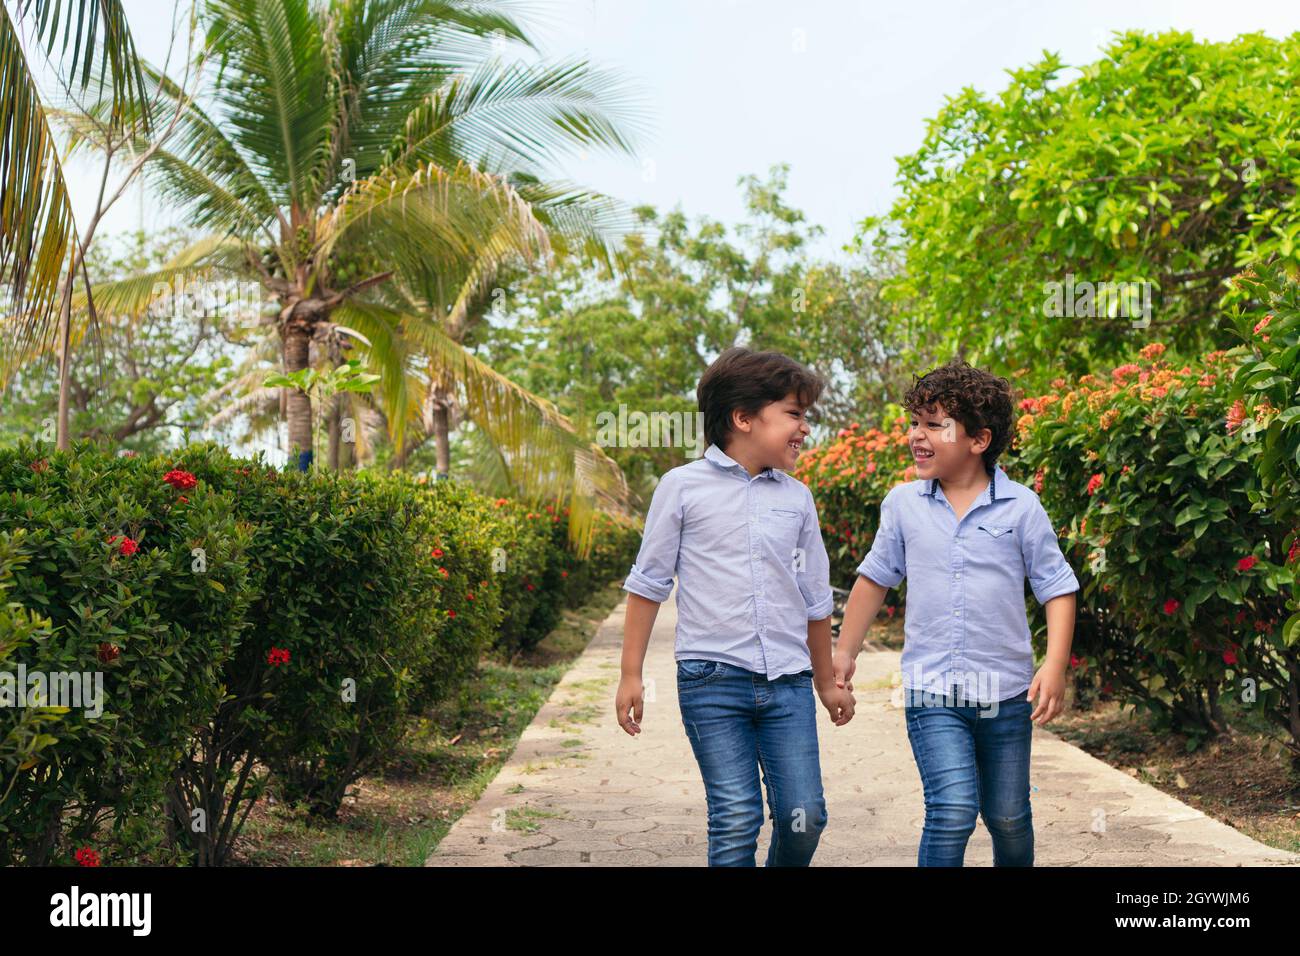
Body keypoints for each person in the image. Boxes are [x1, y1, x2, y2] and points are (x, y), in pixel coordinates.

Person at [615, 346, 855, 866]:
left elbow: (815, 601)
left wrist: (826, 682)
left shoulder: (797, 498)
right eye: (794, 414)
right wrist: (630, 674)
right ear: (743, 418)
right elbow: (648, 584)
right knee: (736, 816)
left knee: (806, 814)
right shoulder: (681, 488)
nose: (805, 429)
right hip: (711, 680)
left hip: (788, 683)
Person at [834, 359, 1078, 866]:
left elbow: (1056, 587)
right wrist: (844, 652)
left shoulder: (1021, 507)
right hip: (932, 691)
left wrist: (1053, 665)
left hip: (1007, 693)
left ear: (979, 440)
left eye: (933, 424)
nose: (916, 436)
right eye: (914, 423)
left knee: (1009, 817)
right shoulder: (903, 505)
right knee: (951, 810)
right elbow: (876, 577)